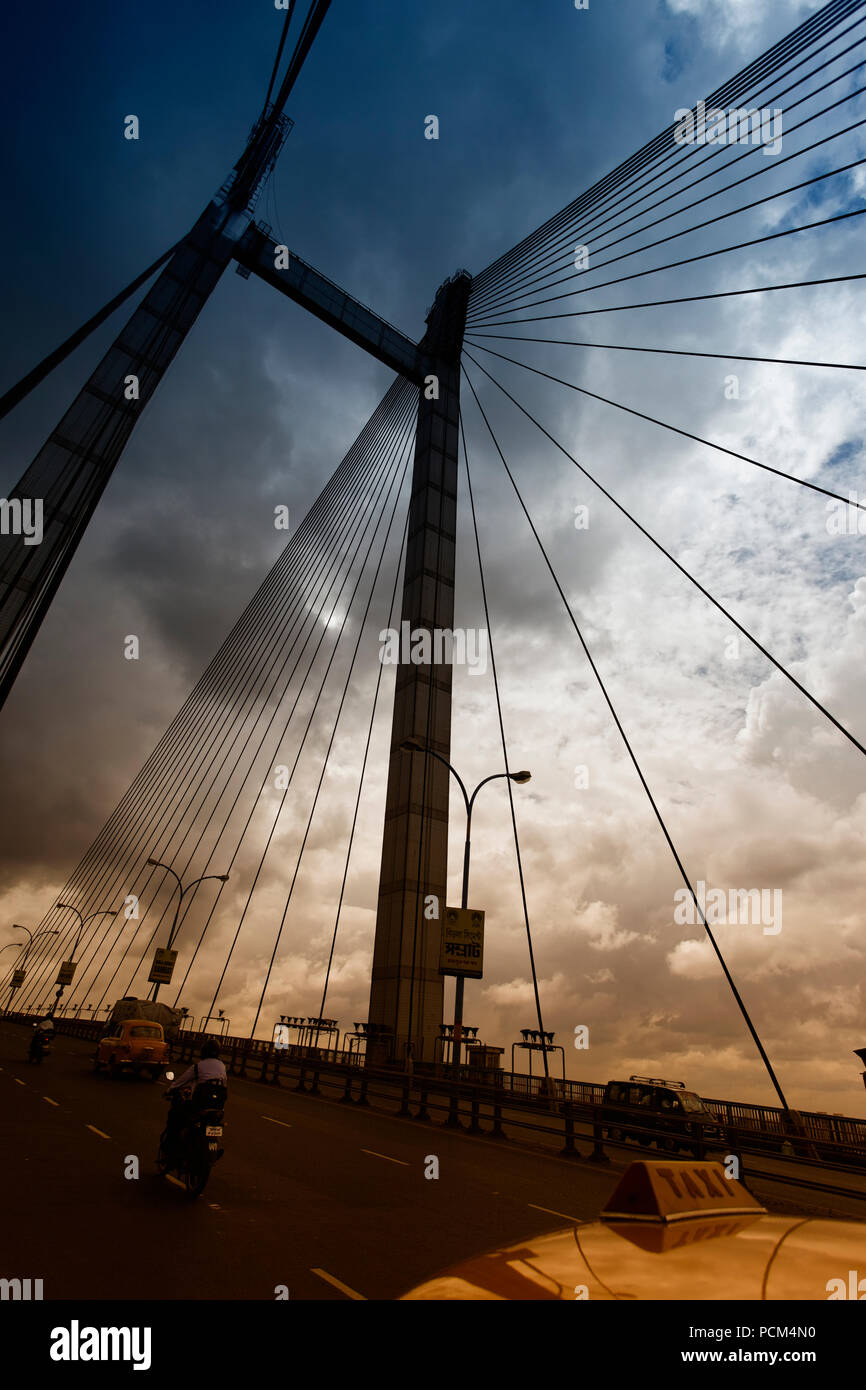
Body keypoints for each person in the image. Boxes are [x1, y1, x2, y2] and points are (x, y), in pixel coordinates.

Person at [162, 1041, 227, 1158]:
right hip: (218, 1105)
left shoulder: (198, 1066)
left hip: (200, 1103)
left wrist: (168, 1090)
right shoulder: (222, 1066)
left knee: (177, 1116)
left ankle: (173, 1150)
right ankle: (213, 1149)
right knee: (214, 1125)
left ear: (203, 1052)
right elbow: (224, 1085)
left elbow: (180, 1082)